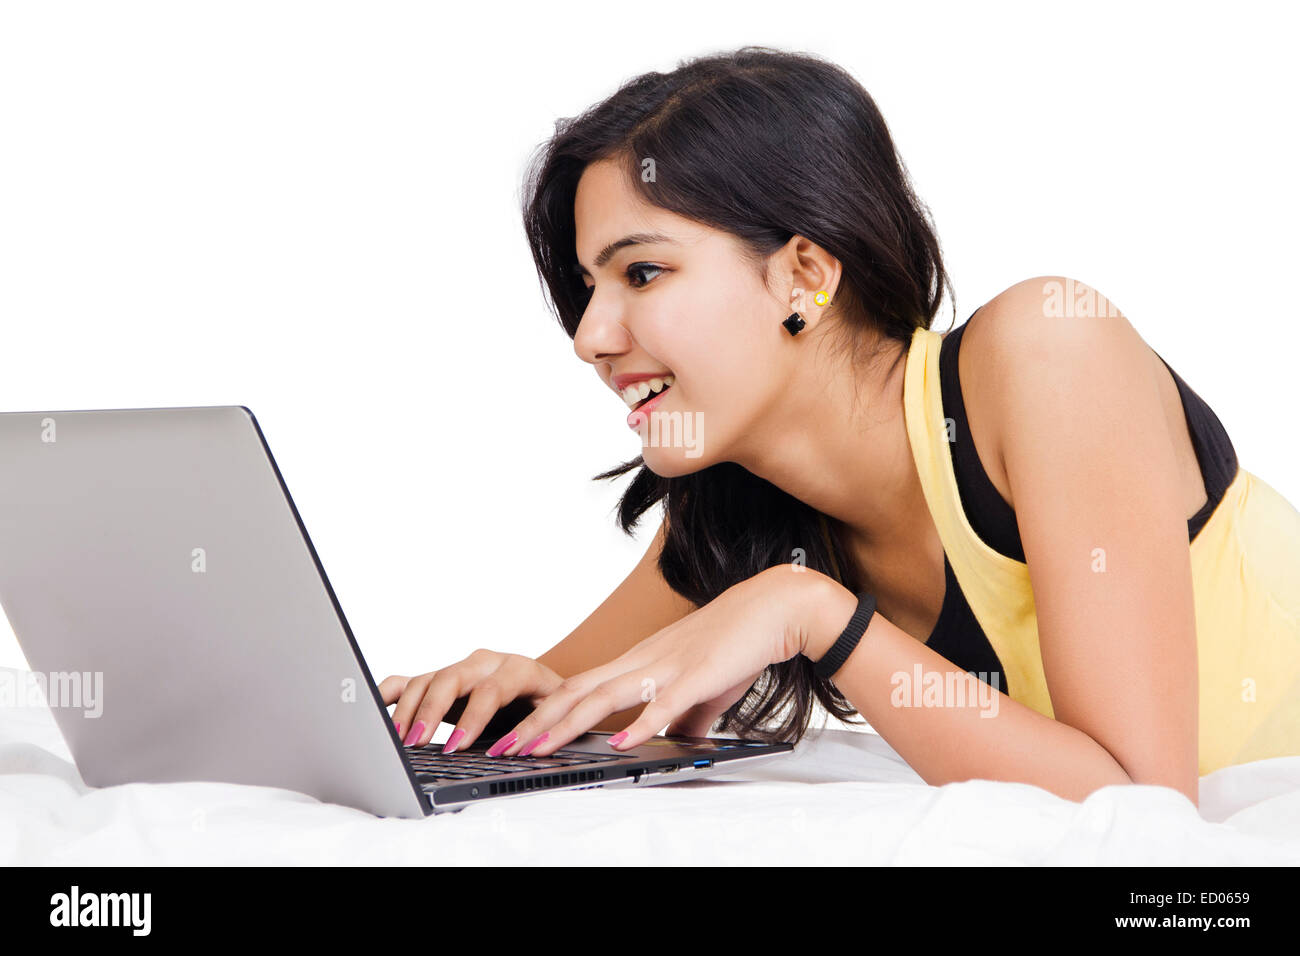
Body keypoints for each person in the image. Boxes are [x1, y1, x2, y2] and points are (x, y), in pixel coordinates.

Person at [382, 46, 1300, 806]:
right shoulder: (746, 510)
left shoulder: (1048, 352)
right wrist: (489, 695)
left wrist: (809, 612)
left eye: (643, 273)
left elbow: (1139, 806)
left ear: (805, 276)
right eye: (588, 288)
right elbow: (570, 707)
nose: (590, 338)